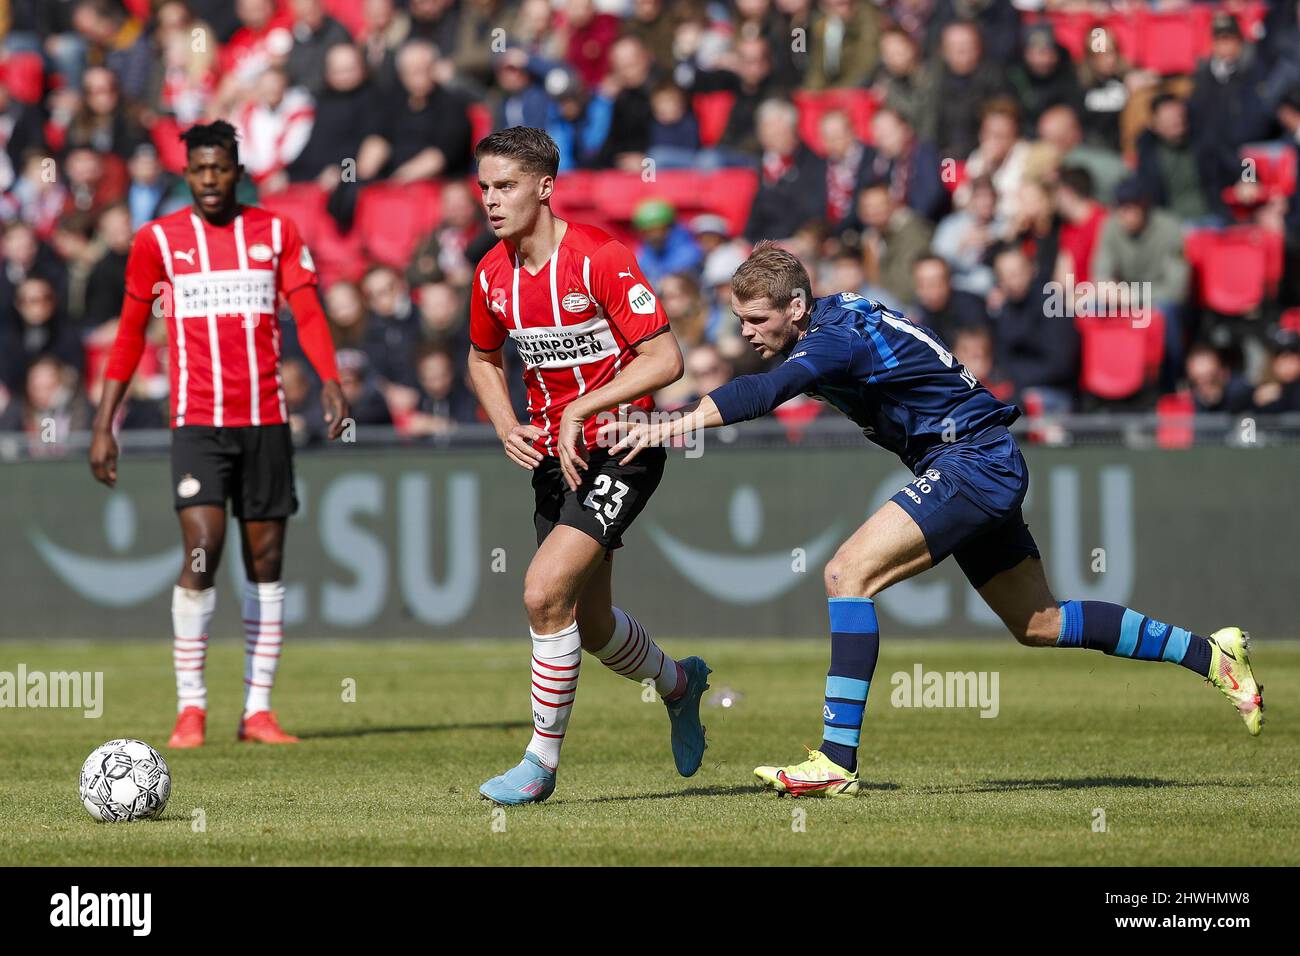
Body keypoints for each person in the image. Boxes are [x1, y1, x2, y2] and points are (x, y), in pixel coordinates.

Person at [605, 242, 1263, 797]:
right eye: (739, 319)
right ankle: (1213, 655)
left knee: (845, 574)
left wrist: (676, 423)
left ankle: (836, 762)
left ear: (796, 308)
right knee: (1040, 623)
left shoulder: (832, 341)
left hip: (969, 461)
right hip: (979, 458)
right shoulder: (835, 322)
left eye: (754, 319)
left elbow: (764, 392)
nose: (745, 332)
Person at [466, 127, 710, 805]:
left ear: (545, 189)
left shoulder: (600, 258)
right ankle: (680, 685)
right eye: (484, 186)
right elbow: (482, 359)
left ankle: (539, 766)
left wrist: (582, 407)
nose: (491, 200)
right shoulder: (490, 274)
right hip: (555, 459)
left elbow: (665, 360)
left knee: (543, 593)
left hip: (625, 445)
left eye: (505, 186)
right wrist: (504, 422)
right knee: (592, 623)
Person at [88, 121, 350, 749]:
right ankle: (191, 708)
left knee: (266, 563)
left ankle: (257, 711)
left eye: (220, 168)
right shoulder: (158, 242)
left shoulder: (276, 232)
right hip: (198, 423)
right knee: (202, 550)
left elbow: (308, 309)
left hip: (265, 421)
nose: (210, 179)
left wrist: (331, 380)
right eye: (199, 169)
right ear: (187, 173)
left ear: (238, 170)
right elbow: (128, 336)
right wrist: (104, 423)